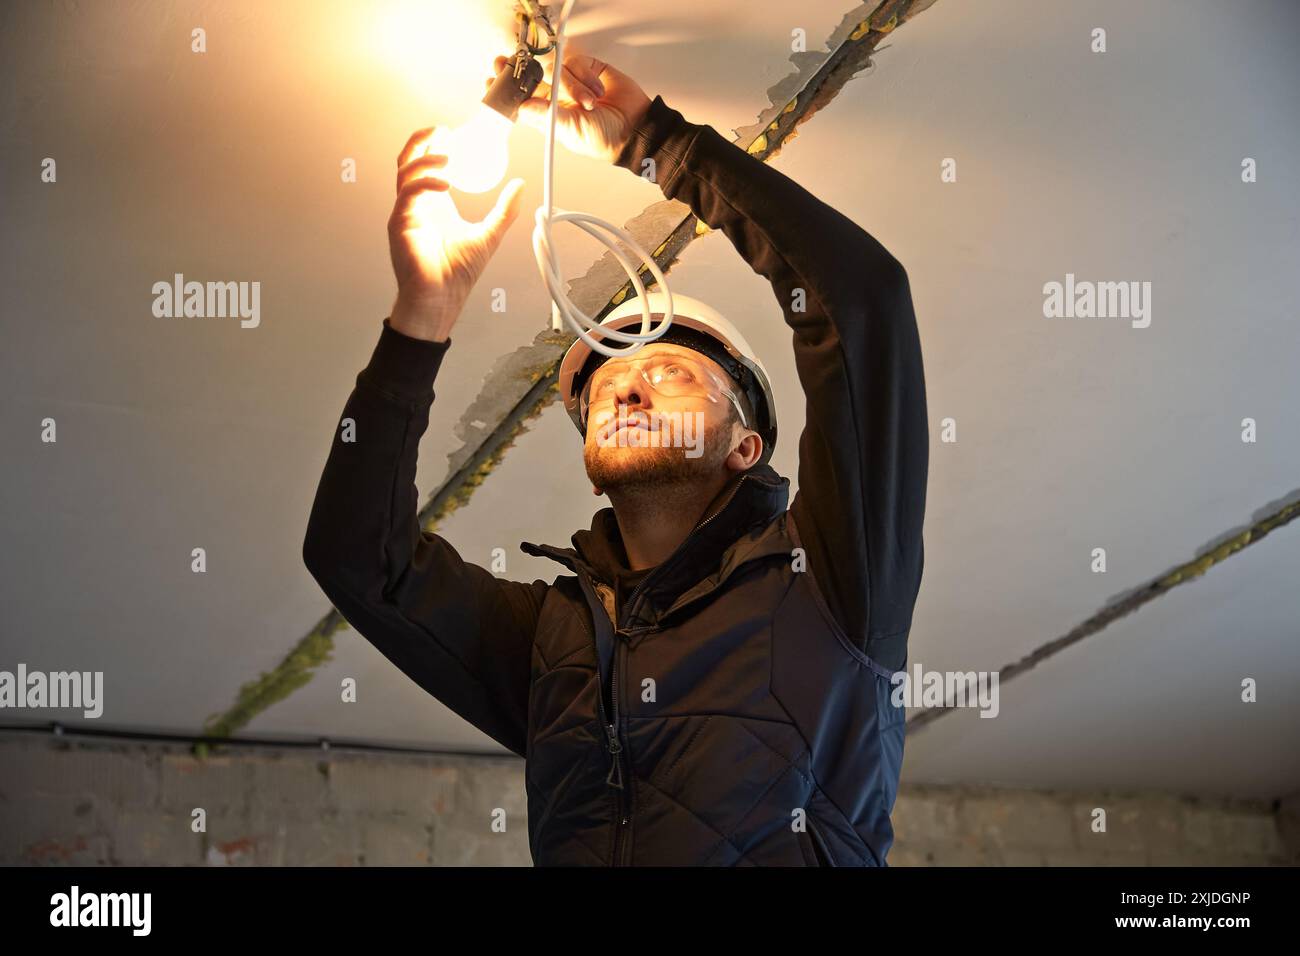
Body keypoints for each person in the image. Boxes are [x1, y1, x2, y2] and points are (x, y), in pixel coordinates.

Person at [303, 48, 928, 866]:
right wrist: (422, 316)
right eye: (605, 389)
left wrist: (656, 142)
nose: (626, 392)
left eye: (670, 374)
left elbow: (863, 305)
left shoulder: (833, 581)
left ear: (747, 446)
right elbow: (358, 561)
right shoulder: (551, 640)